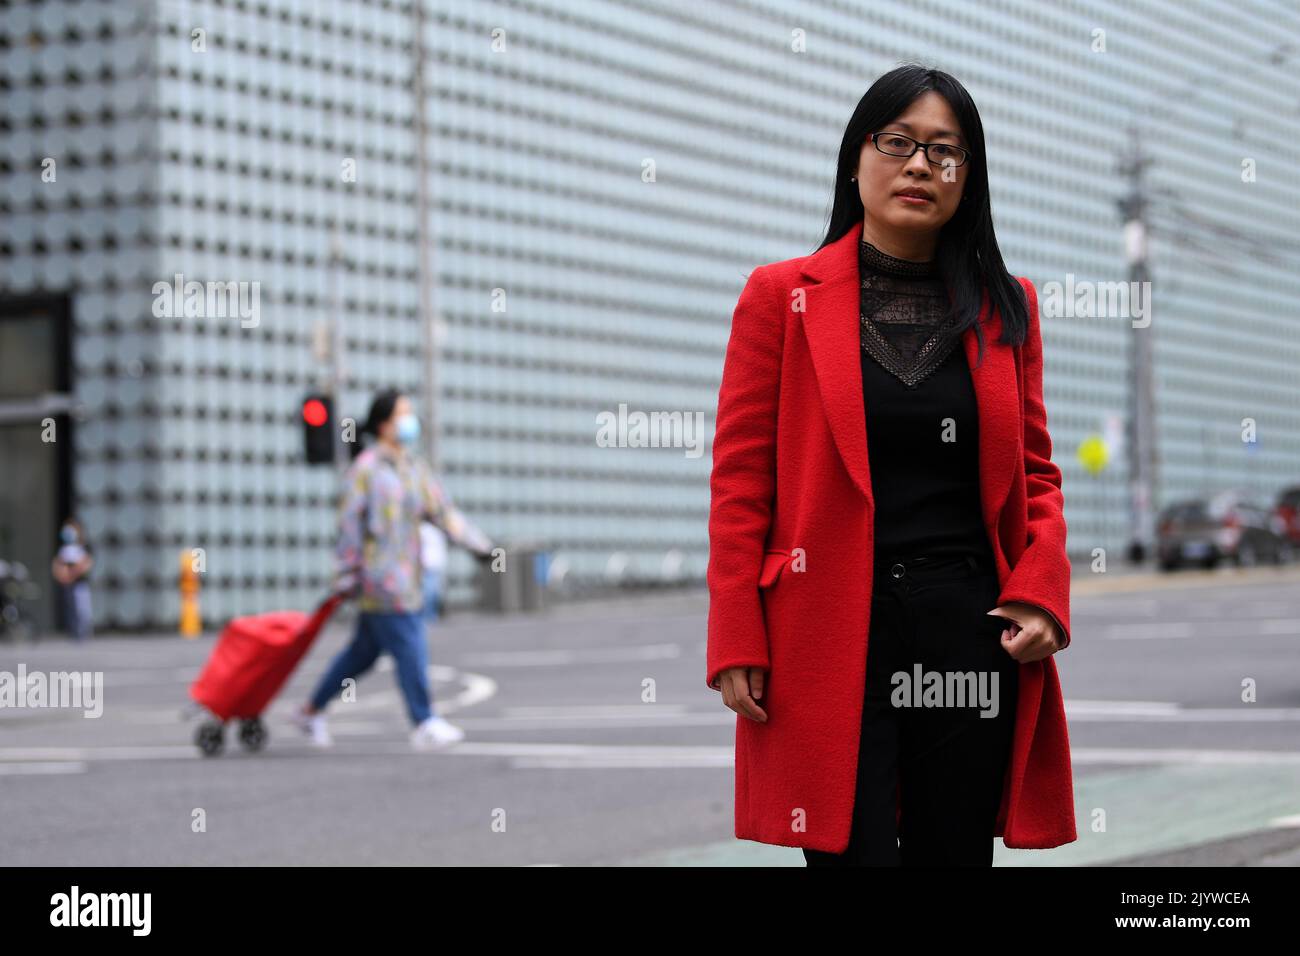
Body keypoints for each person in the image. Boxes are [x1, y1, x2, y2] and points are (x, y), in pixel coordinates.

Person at [706, 65, 1075, 866]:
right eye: (899, 142)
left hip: (968, 629)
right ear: (857, 157)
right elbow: (741, 481)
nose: (919, 166)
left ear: (967, 180)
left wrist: (1042, 593)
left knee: (954, 855)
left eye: (945, 152)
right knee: (851, 854)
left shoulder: (1008, 306)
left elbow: (1036, 475)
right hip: (827, 623)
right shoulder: (780, 298)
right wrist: (736, 632)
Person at [293, 390, 495, 750]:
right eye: (404, 413)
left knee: (361, 654)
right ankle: (424, 721)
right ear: (384, 424)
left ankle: (310, 711)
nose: (410, 420)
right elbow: (349, 528)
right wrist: (346, 576)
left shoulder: (414, 469)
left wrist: (480, 546)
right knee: (410, 645)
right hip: (380, 582)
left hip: (408, 578)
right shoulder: (365, 471)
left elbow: (443, 512)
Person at [51, 518, 94, 642]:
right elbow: (58, 564)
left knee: (82, 610)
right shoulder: (63, 548)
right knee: (70, 610)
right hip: (67, 584)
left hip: (80, 584)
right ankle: (73, 634)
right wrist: (62, 575)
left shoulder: (84, 547)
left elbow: (85, 564)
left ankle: (83, 634)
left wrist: (71, 575)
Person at [419, 521, 448, 623]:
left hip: (436, 565)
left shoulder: (438, 531)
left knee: (434, 592)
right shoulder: (424, 529)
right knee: (428, 592)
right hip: (428, 564)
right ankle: (427, 615)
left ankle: (432, 614)